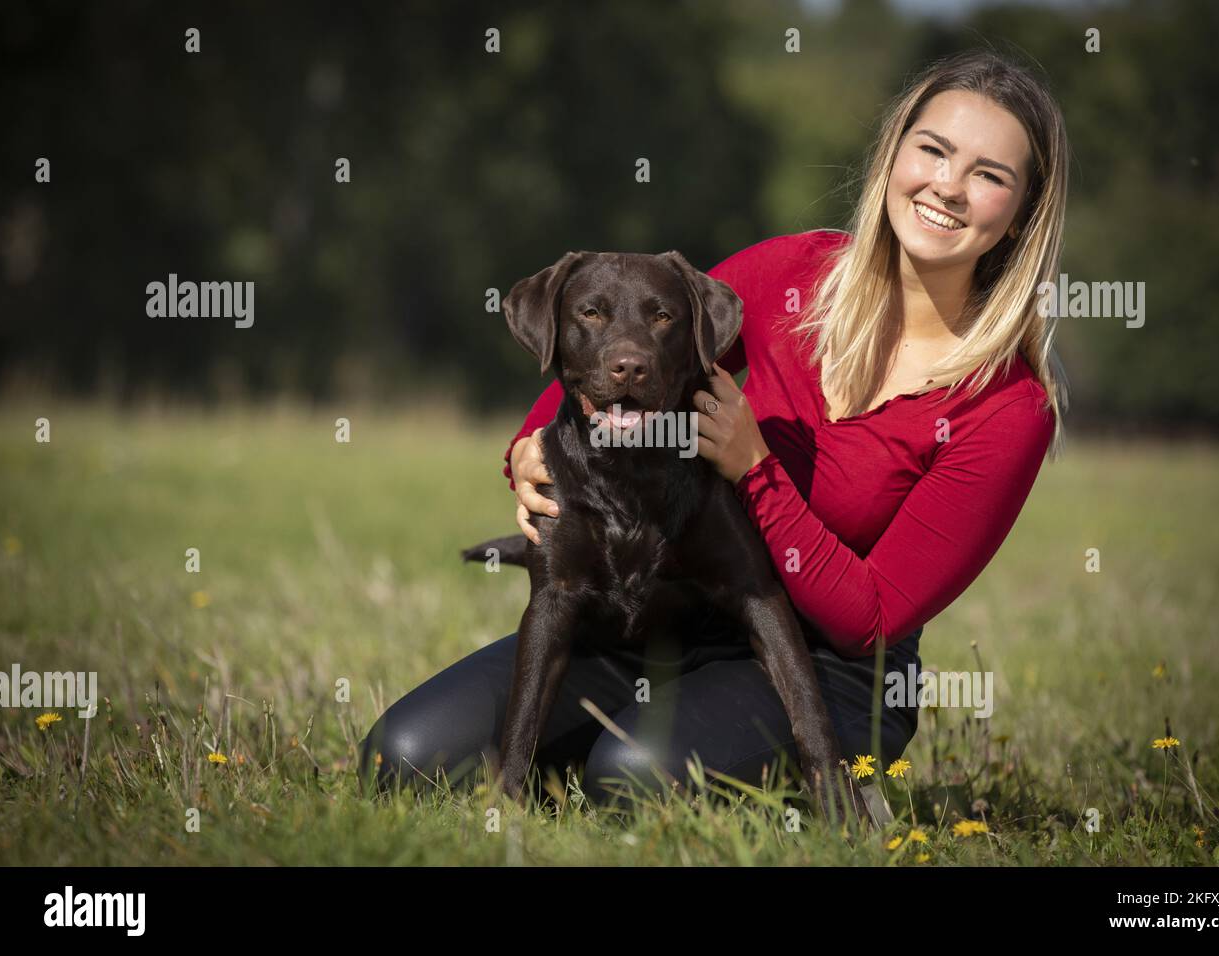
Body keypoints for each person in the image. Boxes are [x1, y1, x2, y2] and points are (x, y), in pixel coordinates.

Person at [359, 49, 1070, 812]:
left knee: (630, 778)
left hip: (831, 673)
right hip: (662, 618)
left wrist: (755, 469)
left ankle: (827, 790)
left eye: (990, 175)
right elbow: (627, 360)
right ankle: (584, 757)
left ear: (1022, 213)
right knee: (403, 758)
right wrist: (530, 452)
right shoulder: (787, 273)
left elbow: (872, 619)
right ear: (895, 155)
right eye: (932, 150)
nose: (948, 187)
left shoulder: (1007, 409)